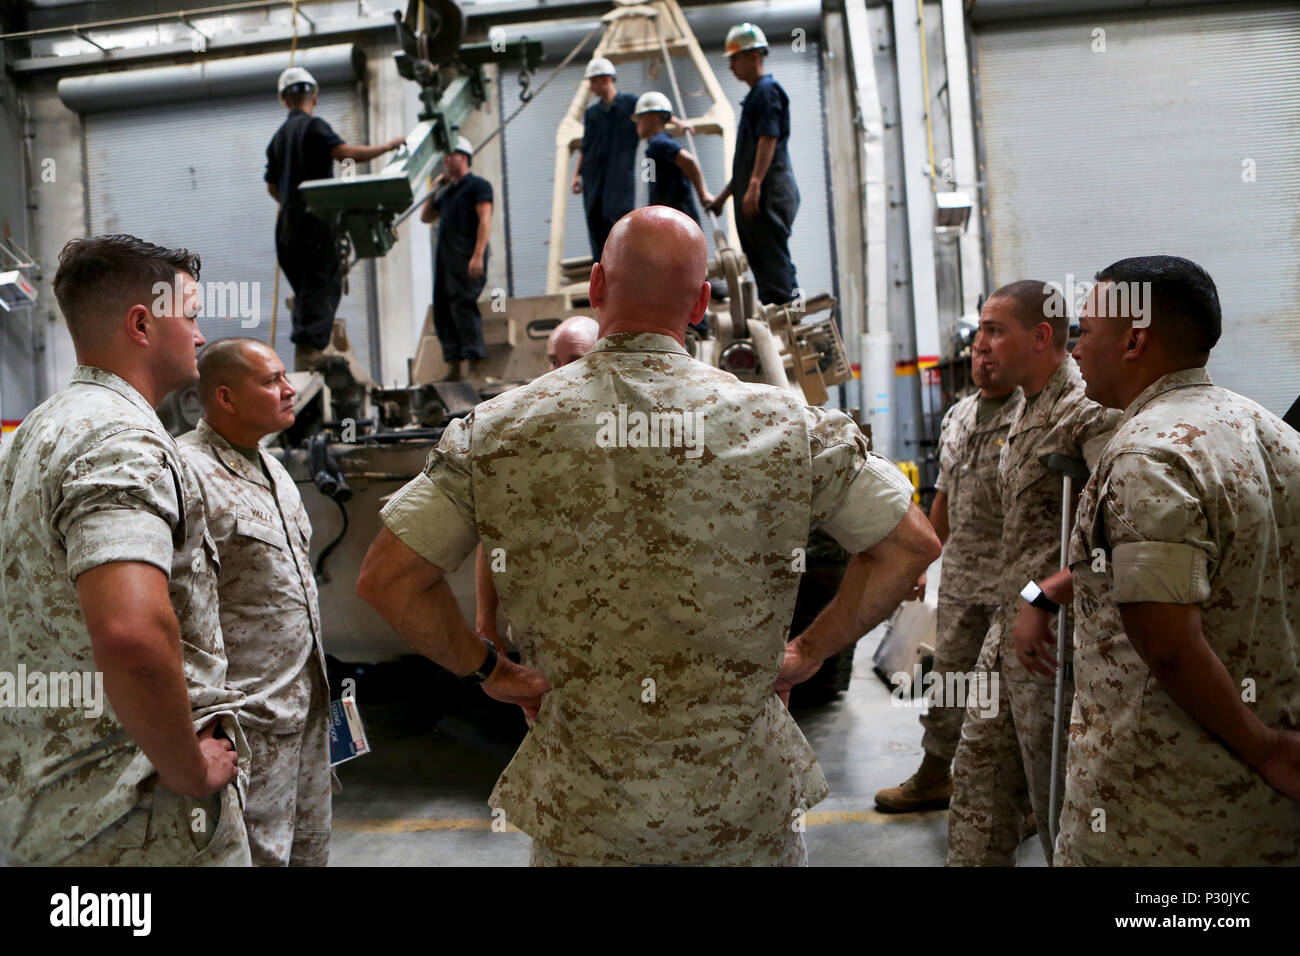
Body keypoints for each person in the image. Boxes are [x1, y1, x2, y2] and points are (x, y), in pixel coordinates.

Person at [357, 207, 940, 866]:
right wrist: (807, 652)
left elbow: (389, 580)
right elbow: (909, 545)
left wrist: (488, 669)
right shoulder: (785, 424)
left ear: (598, 287)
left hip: (587, 818)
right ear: (699, 303)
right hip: (741, 812)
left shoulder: (497, 431)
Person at [1017, 256, 1300, 865]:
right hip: (1269, 813)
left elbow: (1169, 643)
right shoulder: (1271, 433)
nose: (1074, 349)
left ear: (1133, 340)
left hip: (1159, 810)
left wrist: (1265, 748)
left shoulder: (1149, 455)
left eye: (1085, 332)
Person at [0, 235, 250, 866]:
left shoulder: (39, 428)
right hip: (141, 820)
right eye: (189, 316)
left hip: (50, 807)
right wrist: (190, 767)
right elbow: (132, 633)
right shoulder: (121, 440)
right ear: (142, 324)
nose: (199, 336)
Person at [946, 280, 1120, 866]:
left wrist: (1046, 596)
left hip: (1057, 641)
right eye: (981, 330)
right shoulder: (1022, 409)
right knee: (976, 783)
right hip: (1009, 626)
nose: (983, 343)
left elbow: (1126, 536)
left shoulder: (1087, 413)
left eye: (996, 330)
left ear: (1042, 335)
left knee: (1060, 803)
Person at [178, 338, 333, 867]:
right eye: (271, 381)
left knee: (308, 851)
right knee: (258, 855)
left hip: (304, 704)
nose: (290, 390)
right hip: (247, 721)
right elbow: (174, 610)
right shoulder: (188, 472)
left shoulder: (275, 469)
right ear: (225, 397)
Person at [875, 354, 1022, 812]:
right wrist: (922, 560)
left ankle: (1026, 795)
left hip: (1014, 585)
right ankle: (935, 775)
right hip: (961, 580)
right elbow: (943, 495)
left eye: (998, 341)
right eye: (979, 343)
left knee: (1015, 694)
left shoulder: (1031, 416)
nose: (984, 356)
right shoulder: (957, 416)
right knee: (950, 681)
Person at [475, 315, 600, 661]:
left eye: (575, 361)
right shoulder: (521, 437)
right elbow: (493, 532)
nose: (560, 373)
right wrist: (486, 624)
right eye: (553, 361)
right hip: (548, 638)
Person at [265, 66, 404, 372]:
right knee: (321, 283)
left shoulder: (277, 139)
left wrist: (292, 203)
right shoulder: (314, 126)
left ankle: (307, 348)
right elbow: (345, 154)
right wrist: (386, 147)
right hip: (315, 222)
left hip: (287, 227)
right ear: (313, 96)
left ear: (284, 100)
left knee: (304, 288)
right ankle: (311, 351)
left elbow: (272, 186)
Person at [706, 23, 800, 305]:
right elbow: (745, 163)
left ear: (754, 56)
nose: (731, 66)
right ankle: (776, 312)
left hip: (769, 195)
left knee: (773, 259)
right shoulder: (754, 96)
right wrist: (722, 198)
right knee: (763, 260)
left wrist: (756, 184)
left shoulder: (767, 90)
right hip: (757, 196)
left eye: (735, 58)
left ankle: (787, 319)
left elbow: (768, 138)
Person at [570, 59, 692, 261]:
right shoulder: (592, 114)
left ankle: (626, 264)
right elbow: (586, 146)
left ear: (606, 79)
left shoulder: (629, 104)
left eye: (594, 81)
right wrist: (576, 176)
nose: (591, 87)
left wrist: (679, 122)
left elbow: (654, 112)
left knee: (620, 221)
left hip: (619, 174)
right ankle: (602, 267)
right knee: (596, 221)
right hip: (594, 176)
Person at [420, 135, 494, 385]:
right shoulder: (448, 192)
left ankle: (476, 366)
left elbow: (485, 219)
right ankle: (453, 365)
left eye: (450, 155)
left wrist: (478, 255)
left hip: (467, 256)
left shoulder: (478, 186)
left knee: (463, 305)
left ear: (463, 157)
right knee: (443, 309)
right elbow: (426, 216)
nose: (445, 160)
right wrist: (435, 189)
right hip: (445, 260)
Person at [634, 92, 714, 226]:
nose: (637, 123)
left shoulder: (659, 143)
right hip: (671, 219)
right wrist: (678, 122)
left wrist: (703, 194)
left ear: (652, 118)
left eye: (640, 117)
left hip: (675, 220)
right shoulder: (653, 147)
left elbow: (688, 160)